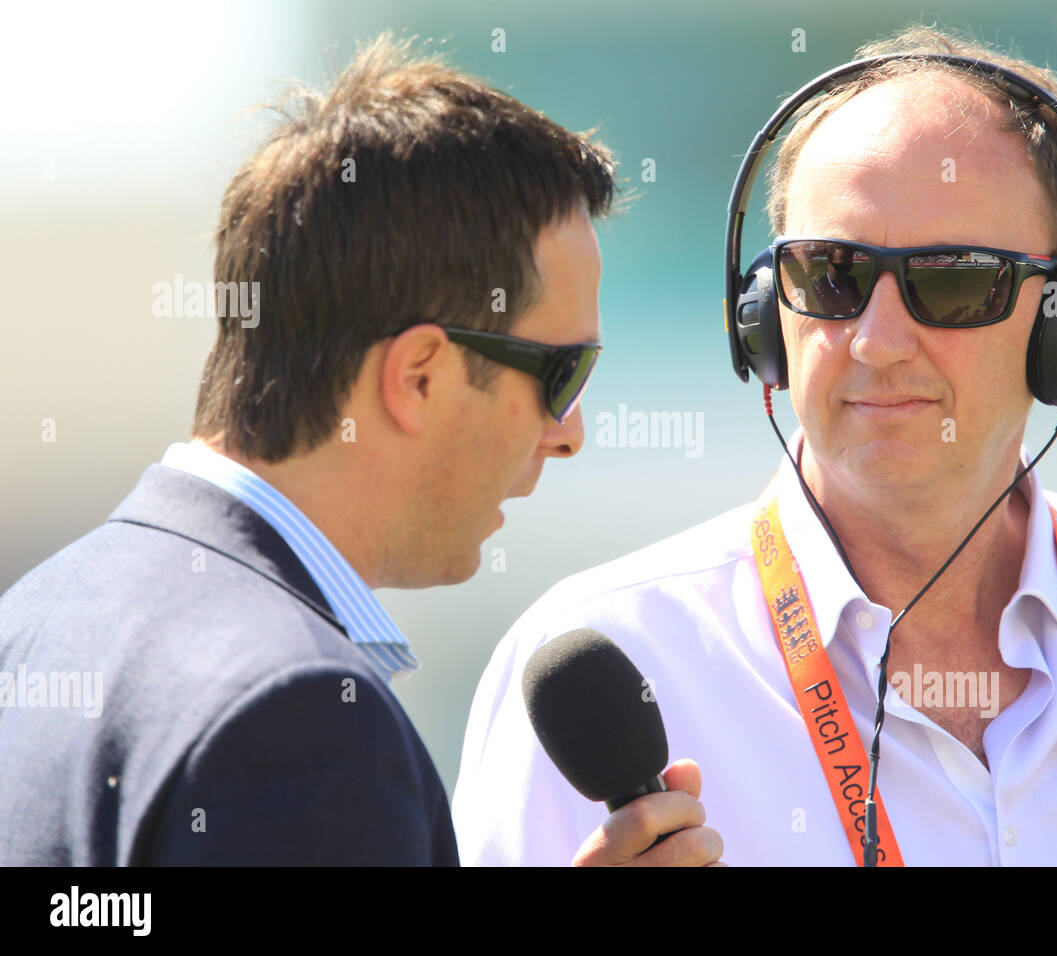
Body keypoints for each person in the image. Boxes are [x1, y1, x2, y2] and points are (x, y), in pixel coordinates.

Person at [452, 26, 1057, 866]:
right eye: (832, 274)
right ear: (762, 315)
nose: (878, 341)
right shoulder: (597, 663)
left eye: (955, 277)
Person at [0, 34, 722, 867]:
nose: (571, 433)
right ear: (418, 375)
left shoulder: (37, 618)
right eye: (564, 371)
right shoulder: (298, 712)